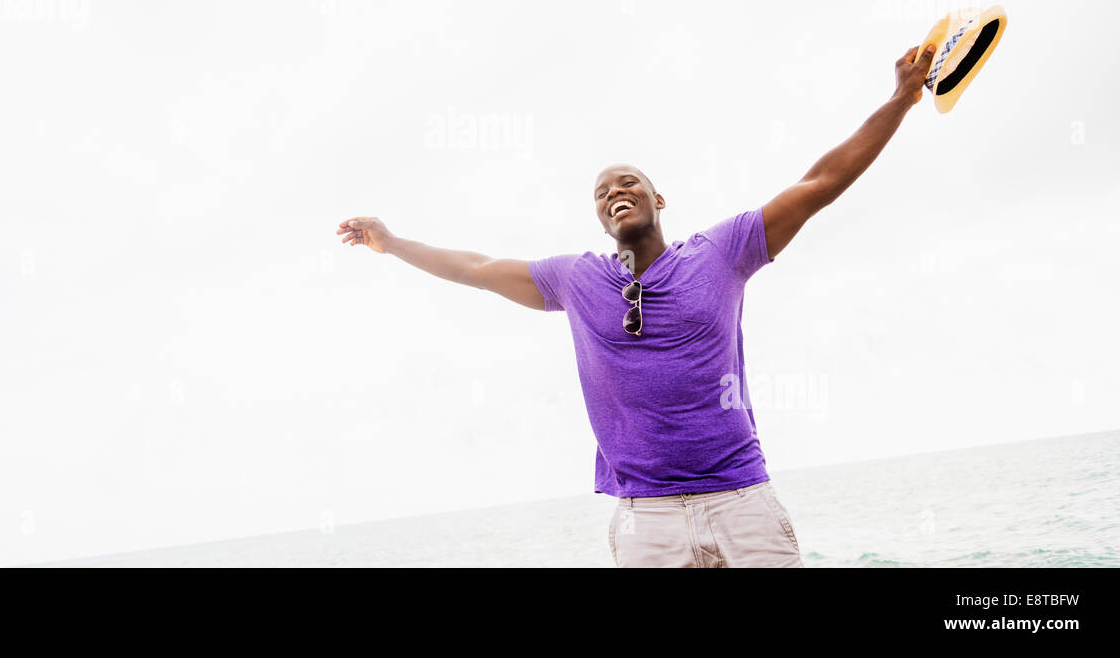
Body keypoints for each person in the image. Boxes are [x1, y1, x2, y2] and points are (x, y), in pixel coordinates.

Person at [336, 42, 938, 567]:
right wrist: (392, 244)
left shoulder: (722, 252)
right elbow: (478, 270)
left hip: (741, 501)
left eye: (627, 182)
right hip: (644, 521)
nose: (615, 192)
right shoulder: (574, 279)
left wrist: (900, 100)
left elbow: (819, 185)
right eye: (602, 193)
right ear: (600, 217)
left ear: (658, 198)